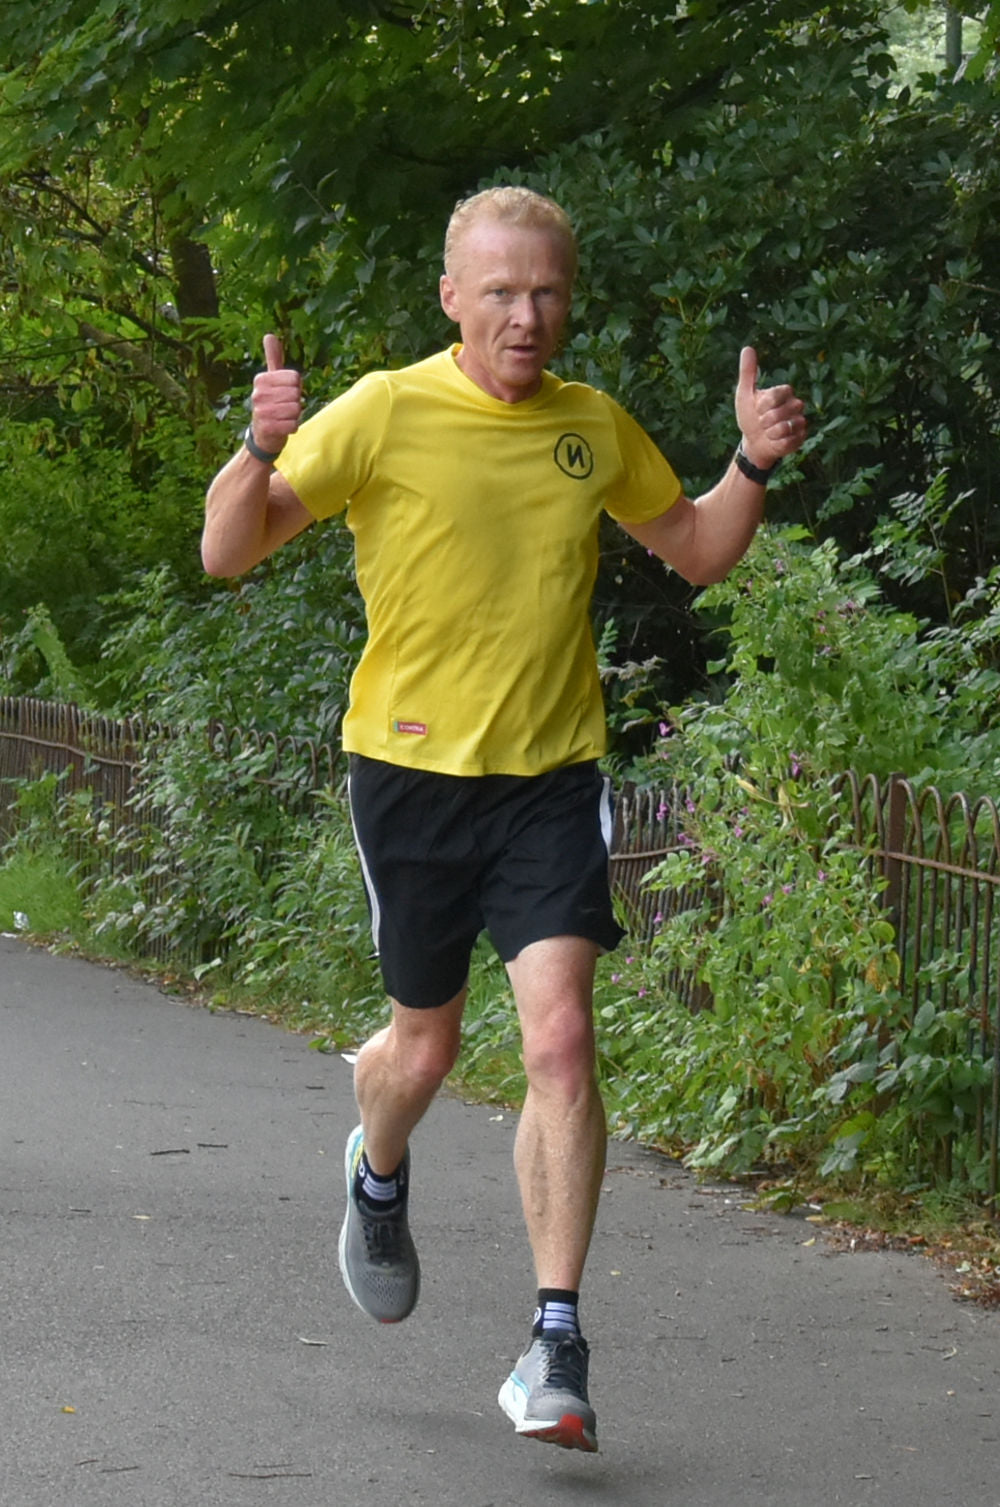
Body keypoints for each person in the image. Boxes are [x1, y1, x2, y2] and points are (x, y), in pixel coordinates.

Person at [202, 185, 806, 1453]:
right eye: (500, 293)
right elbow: (229, 551)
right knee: (421, 1057)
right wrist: (257, 452)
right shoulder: (383, 410)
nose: (526, 317)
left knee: (562, 1039)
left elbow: (695, 547)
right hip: (409, 782)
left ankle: (554, 1340)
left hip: (548, 781)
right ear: (451, 299)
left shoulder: (590, 428)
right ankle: (375, 1171)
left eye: (545, 294)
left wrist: (748, 461)